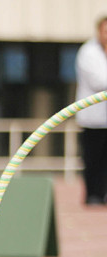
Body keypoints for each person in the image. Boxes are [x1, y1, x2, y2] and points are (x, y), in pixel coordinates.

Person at [76, 16, 107, 206]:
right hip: (93, 119)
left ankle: (103, 195)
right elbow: (99, 81)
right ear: (99, 32)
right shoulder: (88, 52)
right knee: (93, 158)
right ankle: (93, 195)